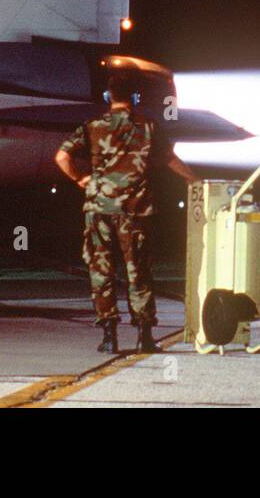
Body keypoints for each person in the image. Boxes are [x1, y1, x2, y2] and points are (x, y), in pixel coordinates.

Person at [55, 75, 199, 353]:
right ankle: (145, 336)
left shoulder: (92, 126)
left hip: (99, 209)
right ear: (135, 98)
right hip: (134, 210)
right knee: (139, 272)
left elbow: (61, 157)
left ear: (109, 98)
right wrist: (194, 179)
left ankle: (109, 337)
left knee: (101, 271)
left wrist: (81, 179)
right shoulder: (147, 127)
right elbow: (168, 158)